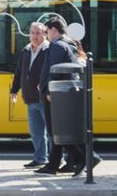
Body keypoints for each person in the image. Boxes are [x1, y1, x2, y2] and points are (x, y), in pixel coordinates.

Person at [35, 18, 100, 177]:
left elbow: (55, 70)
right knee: (58, 131)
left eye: (46, 31)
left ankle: (89, 157)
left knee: (58, 131)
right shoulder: (65, 44)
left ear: (53, 30)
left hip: (57, 94)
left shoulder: (58, 46)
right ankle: (54, 165)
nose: (45, 35)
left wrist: (50, 92)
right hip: (60, 93)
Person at [10, 22, 50, 169]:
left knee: (51, 132)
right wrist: (14, 90)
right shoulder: (26, 50)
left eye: (38, 33)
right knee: (36, 132)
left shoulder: (48, 50)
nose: (35, 36)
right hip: (30, 97)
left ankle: (56, 159)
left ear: (45, 34)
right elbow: (19, 71)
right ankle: (40, 158)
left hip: (45, 97)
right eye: (32, 33)